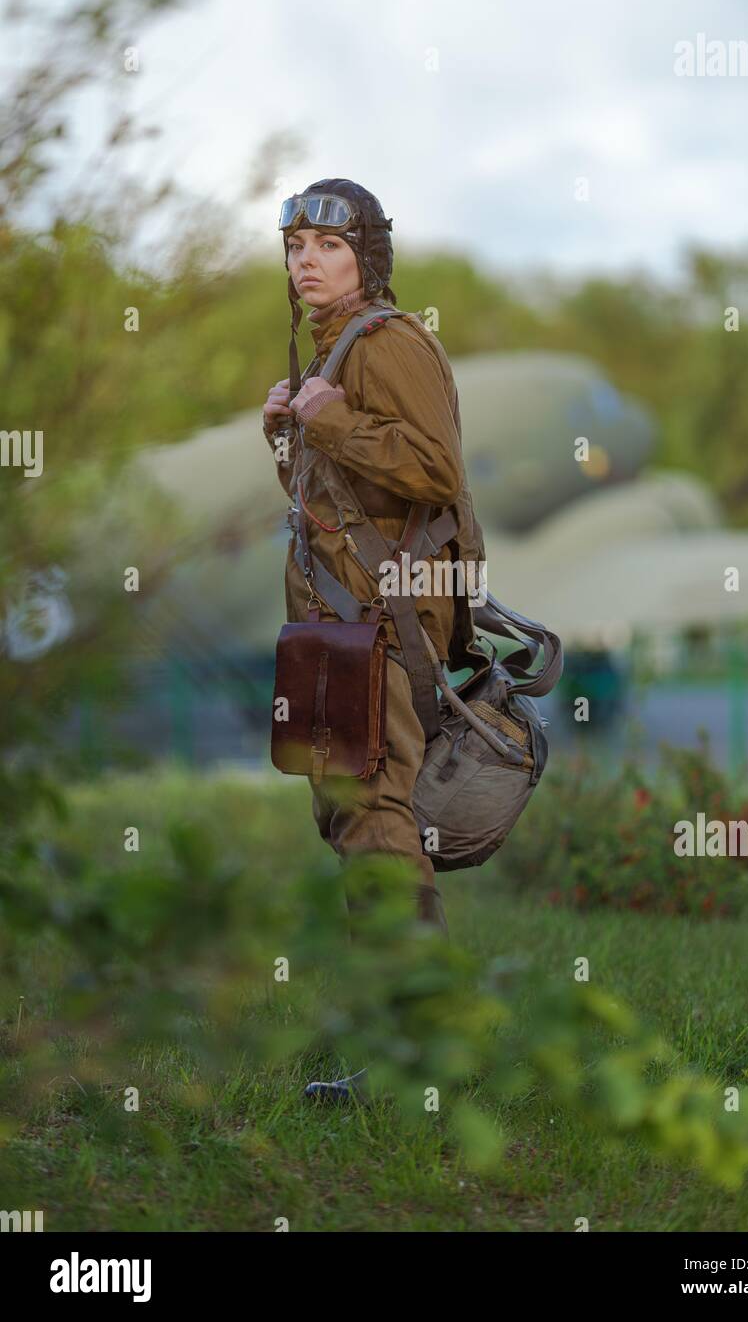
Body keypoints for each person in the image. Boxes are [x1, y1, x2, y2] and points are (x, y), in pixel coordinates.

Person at [262, 178, 485, 1102]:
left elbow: (436, 468)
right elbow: (328, 507)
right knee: (356, 819)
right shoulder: (331, 353)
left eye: (328, 247)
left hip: (384, 629)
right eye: (295, 248)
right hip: (337, 628)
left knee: (379, 819)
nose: (305, 262)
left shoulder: (389, 343)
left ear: (367, 258)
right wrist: (286, 435)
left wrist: (332, 419)